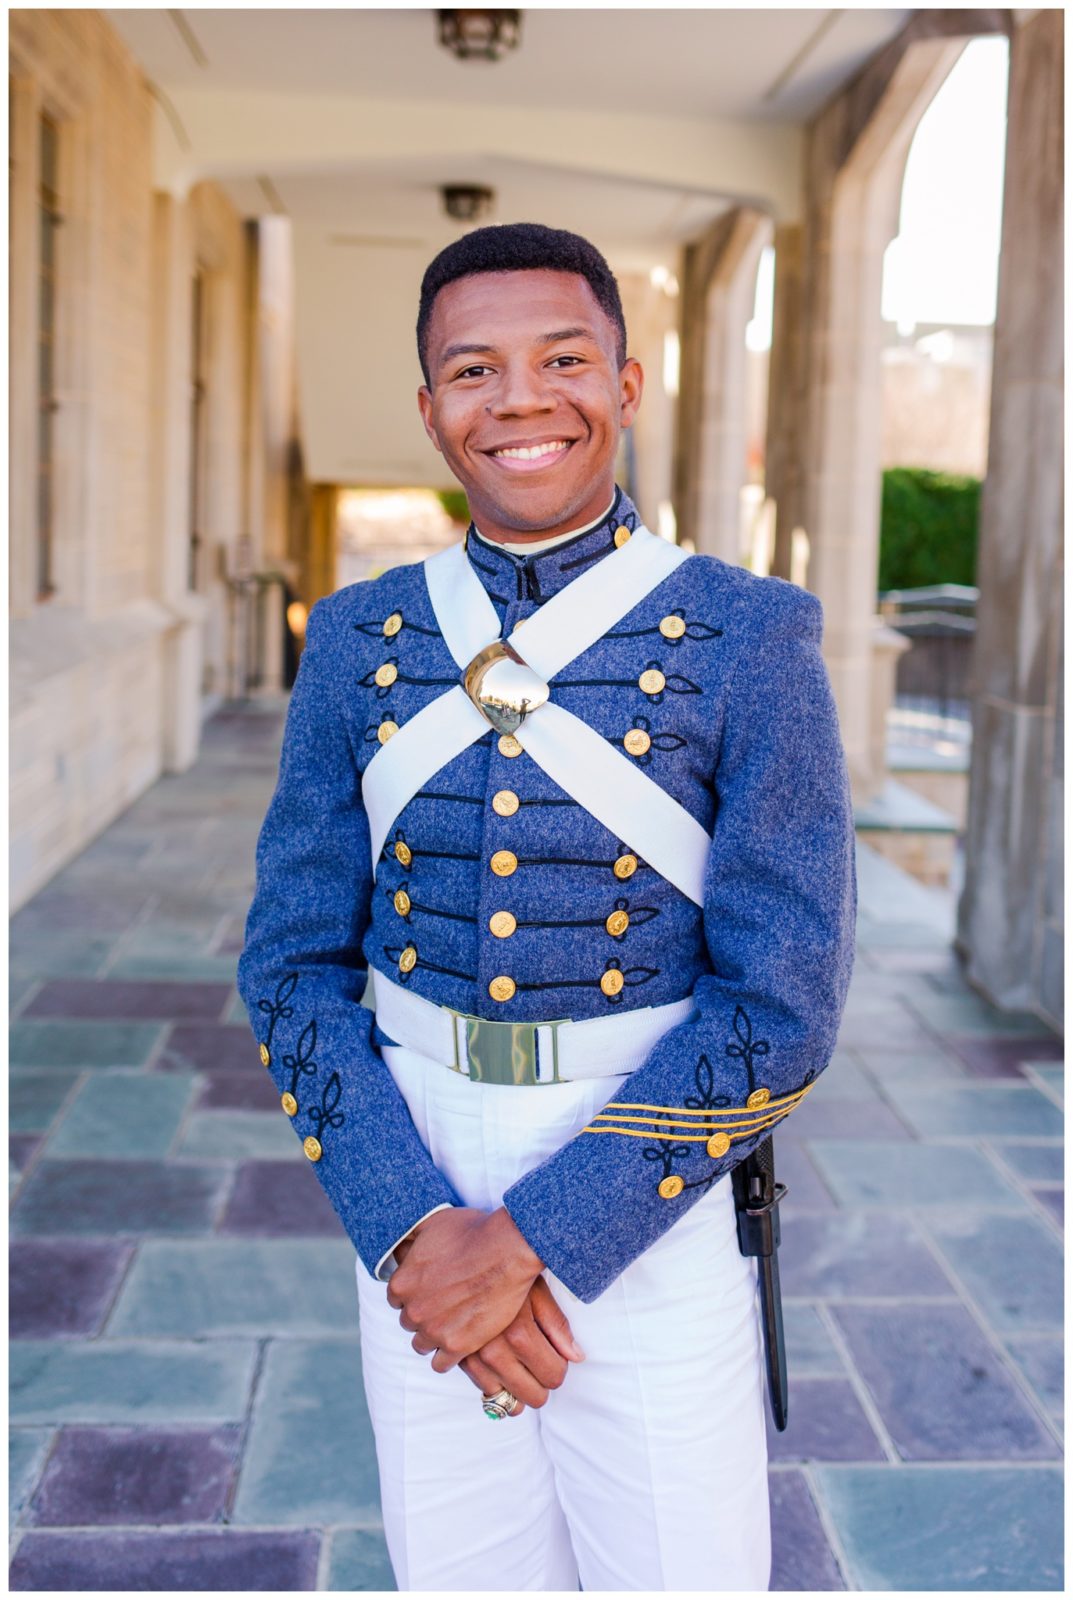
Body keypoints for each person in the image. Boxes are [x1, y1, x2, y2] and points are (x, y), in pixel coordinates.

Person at [237, 221, 857, 1591]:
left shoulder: (748, 635)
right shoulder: (356, 638)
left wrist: (530, 1243)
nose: (519, 401)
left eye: (562, 359)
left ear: (624, 386)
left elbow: (784, 999)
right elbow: (289, 965)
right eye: (473, 371)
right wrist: (415, 1230)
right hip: (411, 1169)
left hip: (645, 1175)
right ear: (428, 408)